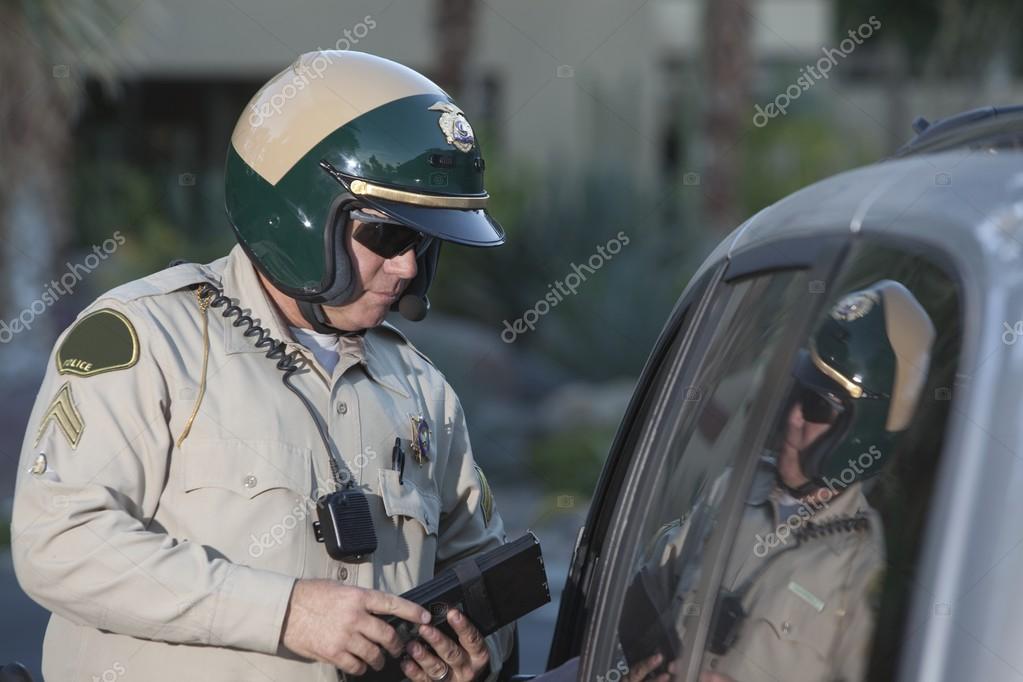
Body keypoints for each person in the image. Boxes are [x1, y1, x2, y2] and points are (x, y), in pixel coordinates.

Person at [12, 50, 514, 682]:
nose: (409, 267)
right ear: (298, 212)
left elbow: (484, 577)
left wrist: (475, 658)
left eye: (424, 241)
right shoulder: (148, 340)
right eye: (387, 237)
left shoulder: (424, 393)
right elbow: (58, 544)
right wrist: (283, 613)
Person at [617, 280, 935, 682]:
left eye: (818, 405)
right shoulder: (729, 491)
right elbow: (640, 600)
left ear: (861, 432)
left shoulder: (863, 568)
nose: (794, 416)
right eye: (799, 390)